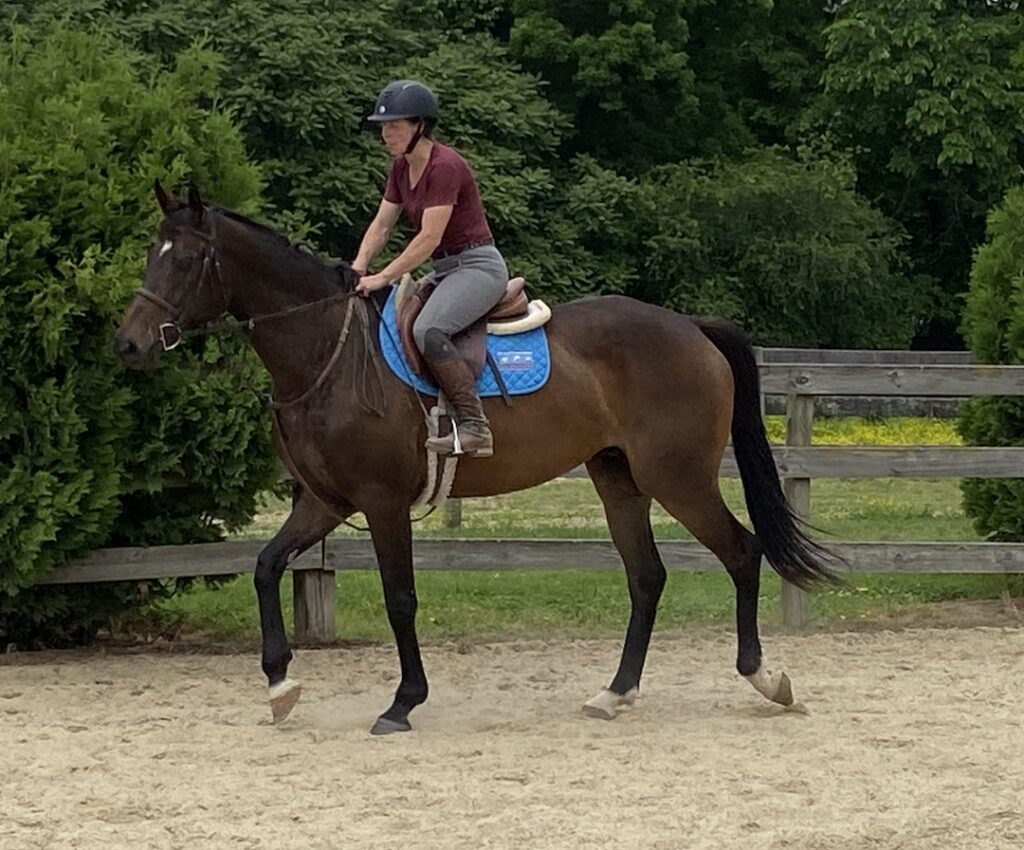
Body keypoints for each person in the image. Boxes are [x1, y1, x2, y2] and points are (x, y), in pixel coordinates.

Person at [353, 79, 508, 459]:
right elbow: (382, 225)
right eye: (383, 126)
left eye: (394, 126)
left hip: (478, 266)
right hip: (445, 270)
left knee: (428, 329)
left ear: (420, 126)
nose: (385, 134)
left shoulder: (445, 166)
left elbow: (428, 238)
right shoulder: (400, 168)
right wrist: (358, 267)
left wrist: (382, 277)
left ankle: (475, 426)